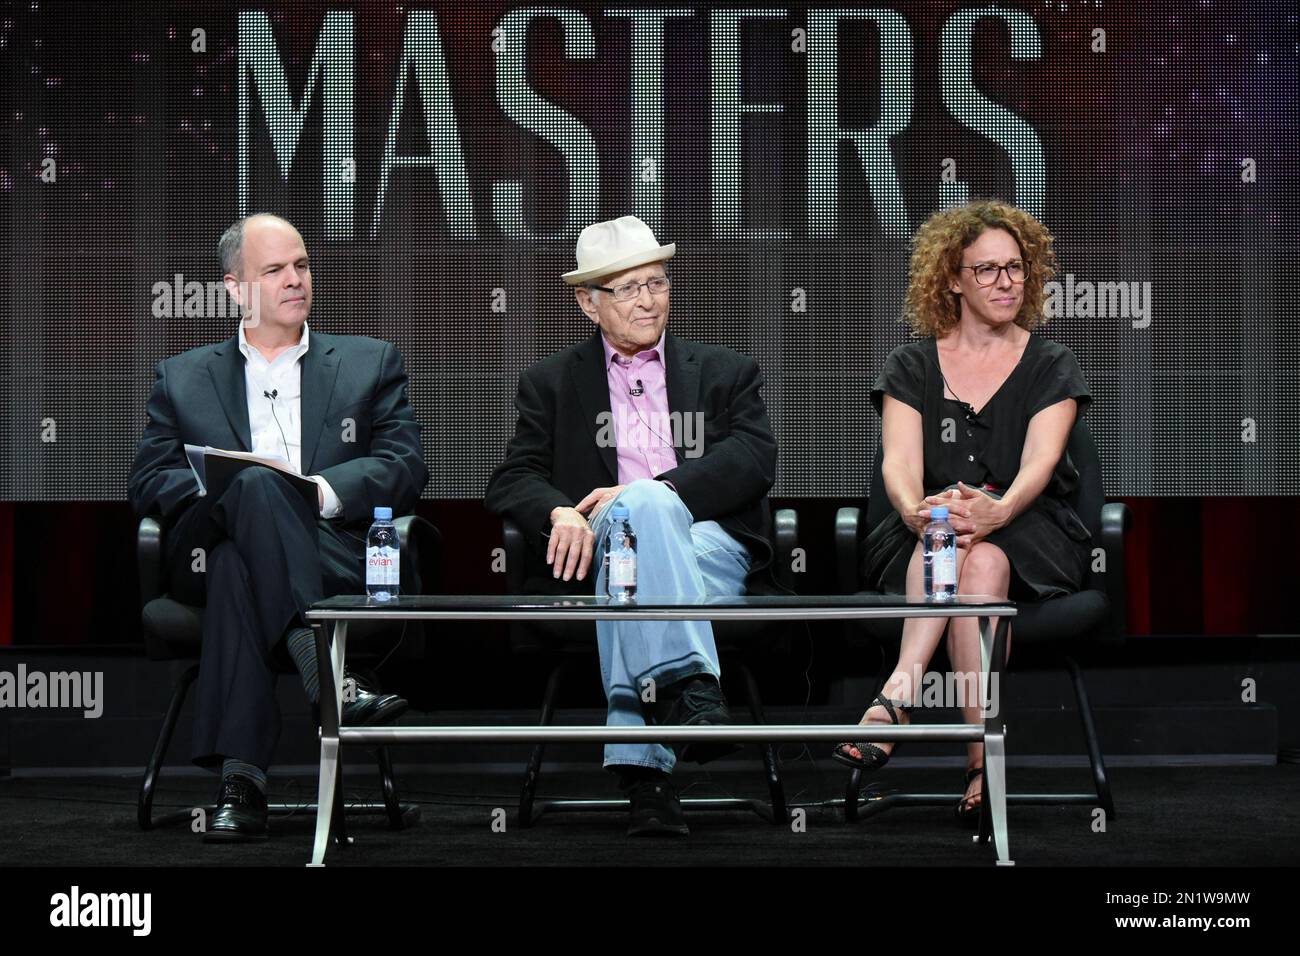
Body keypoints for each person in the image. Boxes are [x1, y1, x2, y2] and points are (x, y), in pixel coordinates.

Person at [128, 213, 428, 842]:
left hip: (334, 551)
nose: (295, 280)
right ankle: (329, 678)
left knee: (244, 559)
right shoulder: (182, 377)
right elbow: (150, 480)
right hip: (205, 550)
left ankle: (242, 782)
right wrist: (226, 493)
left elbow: (405, 464)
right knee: (254, 492)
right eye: (275, 271)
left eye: (302, 265)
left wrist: (317, 493)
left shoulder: (369, 363)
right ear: (235, 289)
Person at [485, 215, 780, 837]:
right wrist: (559, 510)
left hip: (707, 545)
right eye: (627, 288)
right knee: (628, 560)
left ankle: (645, 775)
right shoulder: (552, 382)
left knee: (639, 531)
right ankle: (690, 690)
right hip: (610, 556)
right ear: (588, 304)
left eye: (657, 282)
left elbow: (755, 458)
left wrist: (653, 493)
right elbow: (511, 478)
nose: (649, 300)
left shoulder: (725, 370)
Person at [833, 199, 1093, 826]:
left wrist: (997, 512)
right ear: (952, 278)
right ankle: (983, 758)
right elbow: (898, 464)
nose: (1006, 283)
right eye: (987, 271)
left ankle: (896, 699)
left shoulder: (1051, 363)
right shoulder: (912, 365)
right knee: (955, 545)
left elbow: (1040, 463)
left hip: (1030, 528)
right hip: (924, 533)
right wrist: (915, 510)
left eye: (1015, 269)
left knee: (976, 554)